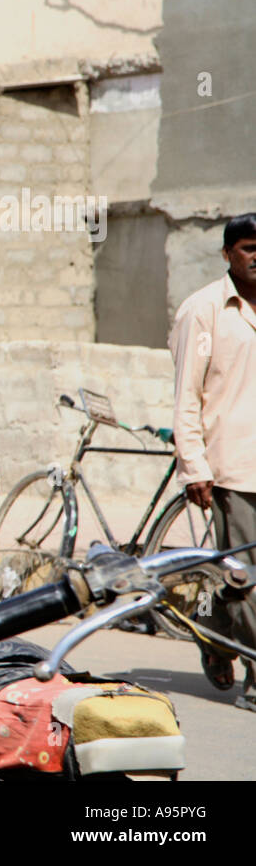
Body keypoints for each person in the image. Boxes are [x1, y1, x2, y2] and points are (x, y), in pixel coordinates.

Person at [168, 212, 256, 706]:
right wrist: (194, 466)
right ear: (227, 254)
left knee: (238, 580)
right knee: (246, 579)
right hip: (232, 468)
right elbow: (186, 396)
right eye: (247, 247)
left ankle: (213, 629)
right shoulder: (203, 311)